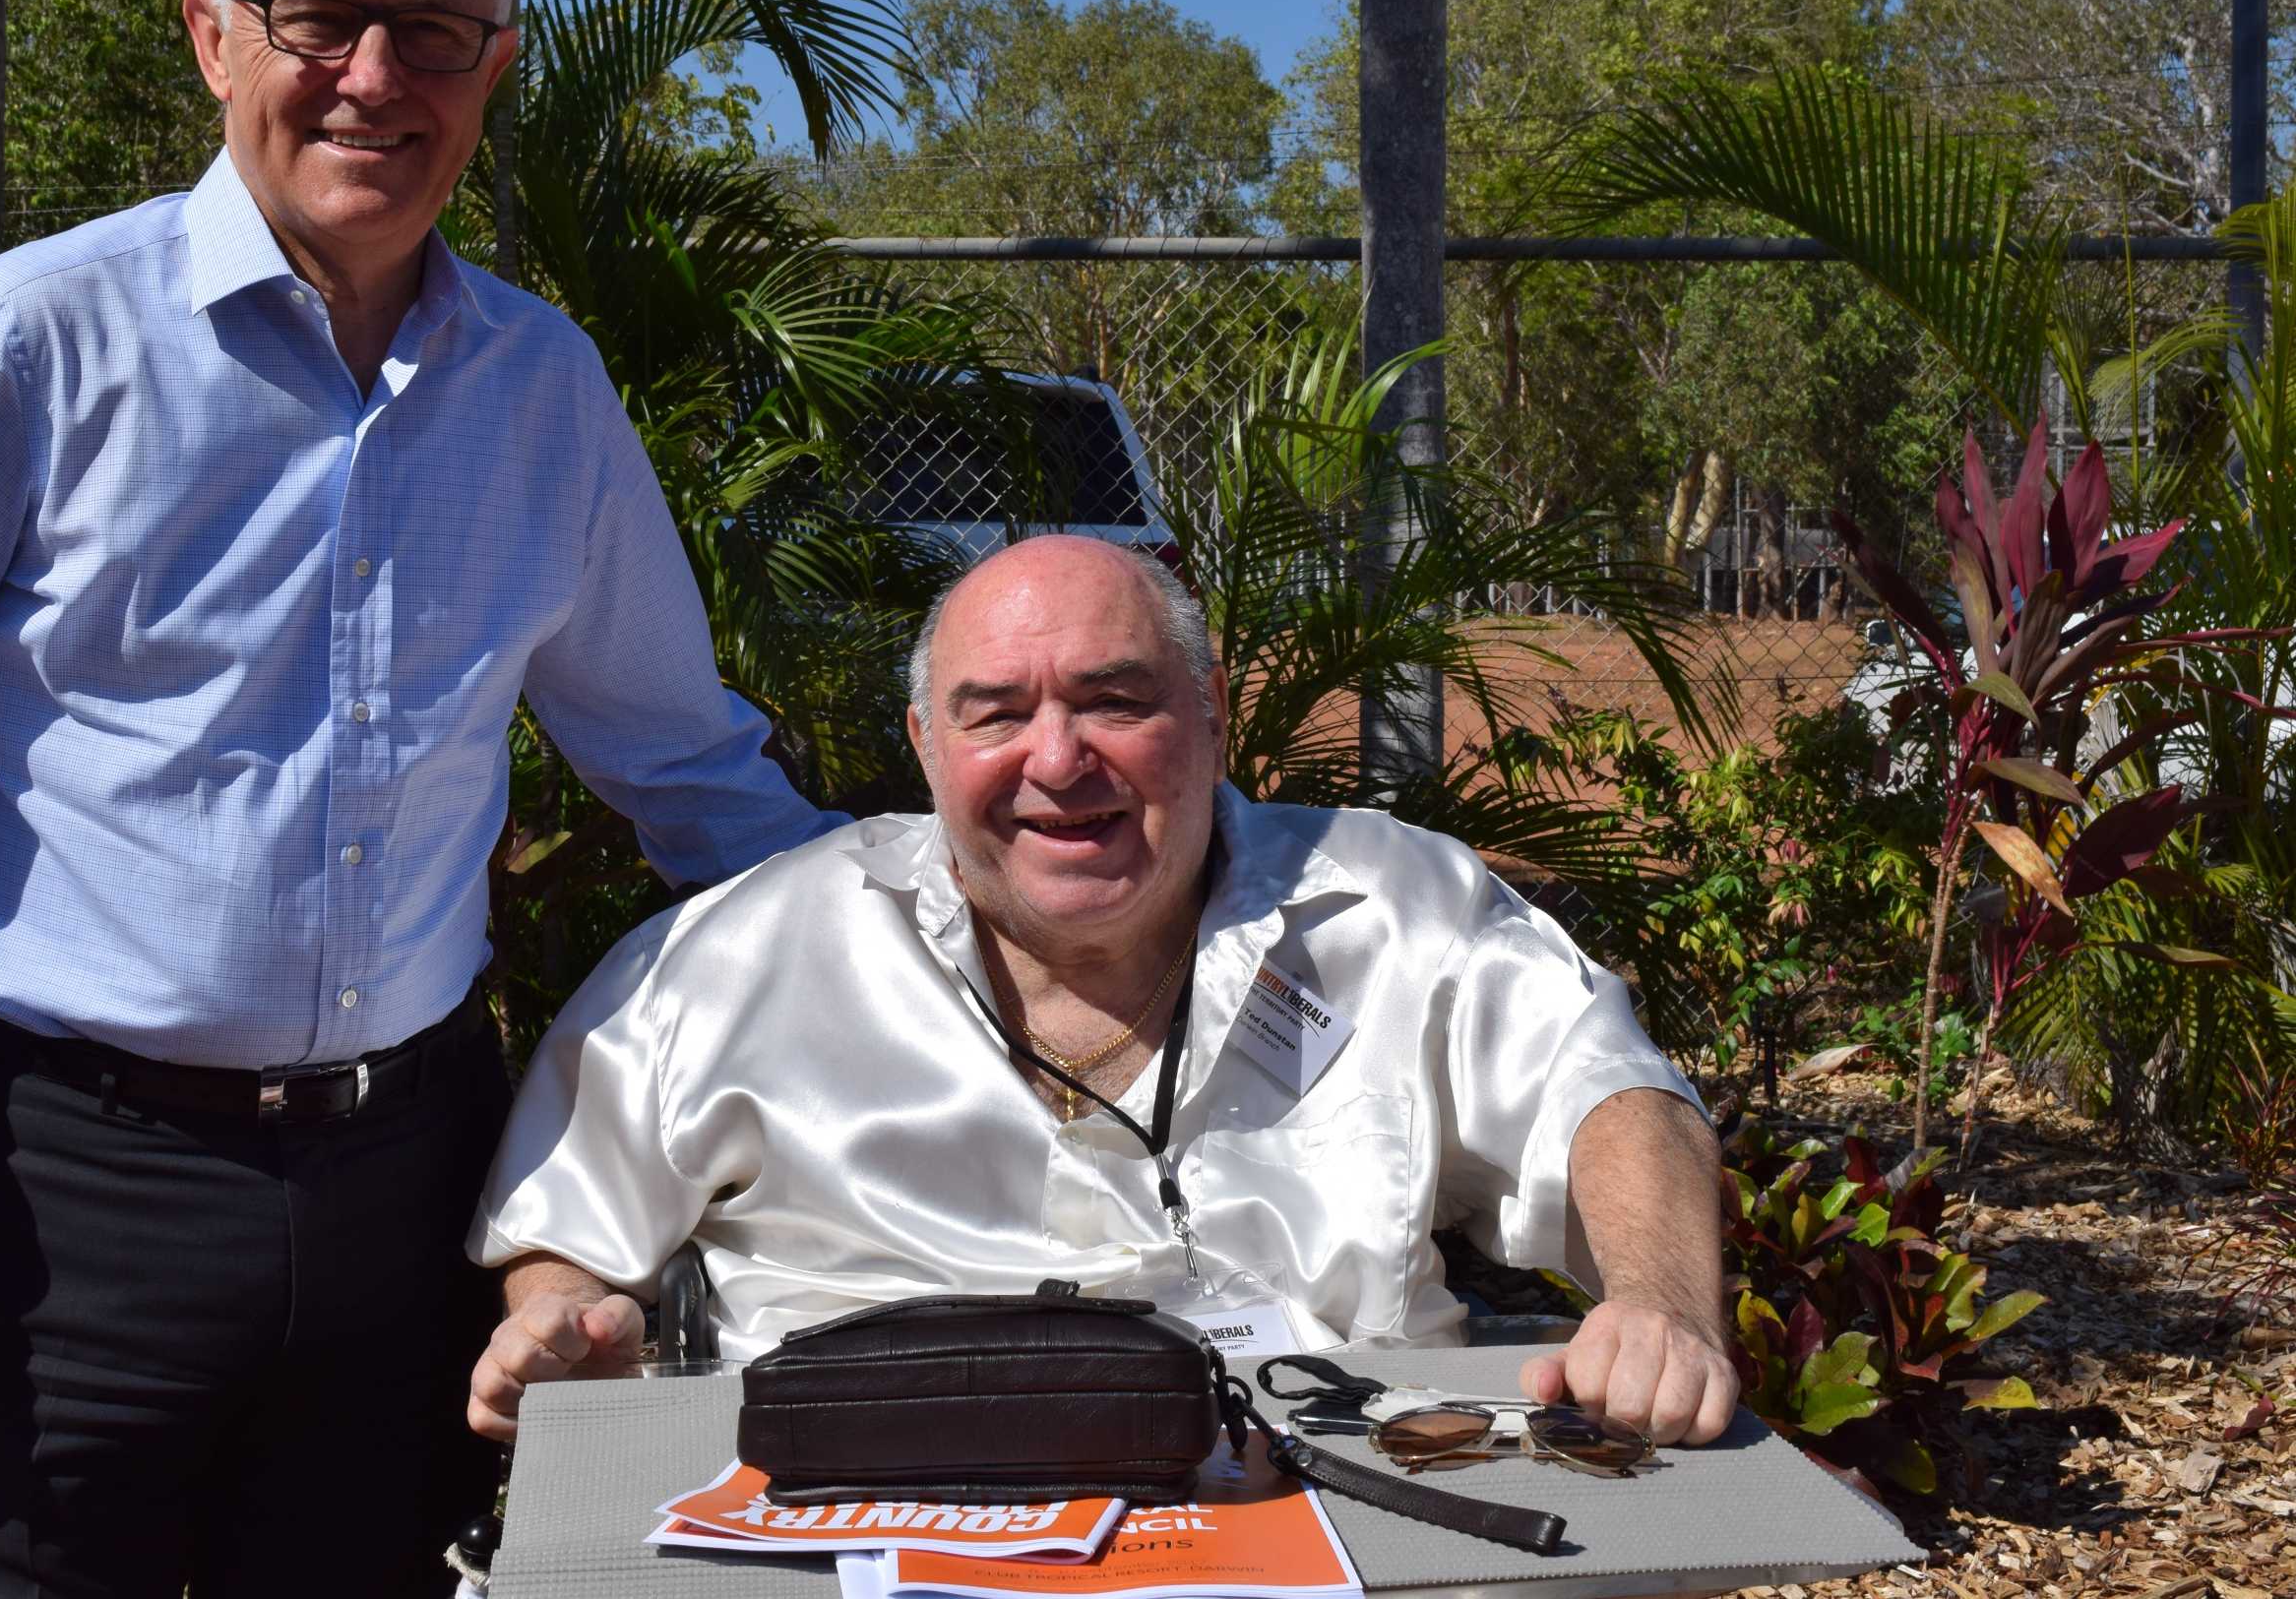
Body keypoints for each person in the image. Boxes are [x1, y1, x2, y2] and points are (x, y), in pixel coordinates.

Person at [0, 0, 837, 1598]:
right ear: (214, 35)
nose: (375, 75)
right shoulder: (24, 347)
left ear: (494, 66)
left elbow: (690, 773)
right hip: (60, 1204)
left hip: (411, 1194)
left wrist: (960, 957)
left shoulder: (543, 392)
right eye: (319, 18)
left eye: (434, 30)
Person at [467, 534, 1742, 1450]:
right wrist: (566, 1321)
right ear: (925, 745)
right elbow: (571, 1216)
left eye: (1114, 702)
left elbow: (1615, 1097)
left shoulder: (1390, 904)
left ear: (1212, 713)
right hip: (869, 1515)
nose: (1058, 759)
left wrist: (1661, 1310)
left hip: (1349, 1500)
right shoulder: (757, 943)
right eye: (996, 713)